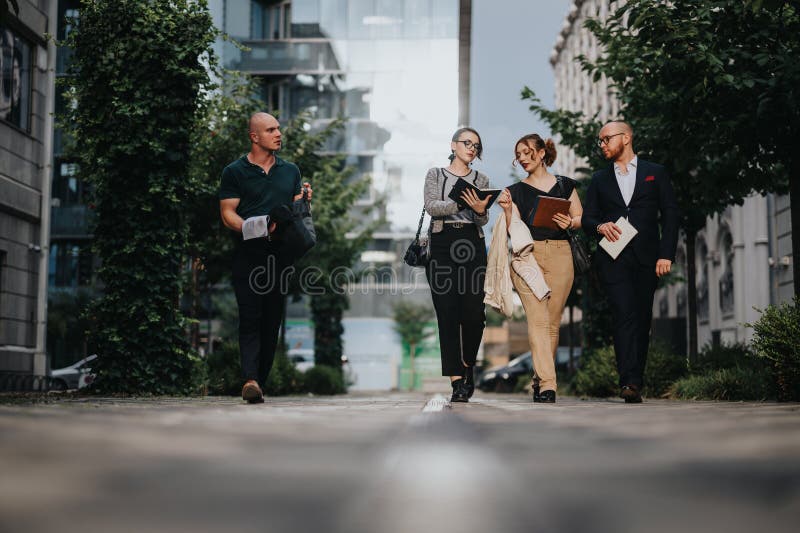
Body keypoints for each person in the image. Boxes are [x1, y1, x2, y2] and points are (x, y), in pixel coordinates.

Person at [219, 112, 313, 404]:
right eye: (271, 129)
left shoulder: (291, 171)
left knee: (272, 321)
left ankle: (259, 381)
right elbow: (227, 214)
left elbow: (298, 211)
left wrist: (305, 201)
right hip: (249, 253)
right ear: (254, 137)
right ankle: (250, 379)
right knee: (250, 317)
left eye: (278, 128)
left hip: (281, 256)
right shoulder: (234, 172)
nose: (278, 133)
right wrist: (256, 227)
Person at [583, 120, 679, 403]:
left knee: (642, 317)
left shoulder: (655, 173)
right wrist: (600, 226)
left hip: (647, 258)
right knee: (624, 315)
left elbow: (670, 215)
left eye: (606, 139)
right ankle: (629, 383)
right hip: (613, 258)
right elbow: (588, 218)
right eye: (599, 141)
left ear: (625, 138)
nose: (602, 145)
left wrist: (666, 254)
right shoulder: (599, 179)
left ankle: (636, 377)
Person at [496, 134, 583, 403]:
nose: (521, 158)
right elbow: (515, 230)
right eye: (518, 154)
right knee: (539, 321)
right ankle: (548, 384)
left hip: (561, 254)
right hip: (528, 257)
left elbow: (579, 217)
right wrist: (509, 211)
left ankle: (538, 378)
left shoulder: (565, 185)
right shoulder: (516, 191)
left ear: (542, 152)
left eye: (526, 152)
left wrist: (570, 223)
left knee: (553, 324)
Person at [424, 127, 492, 403]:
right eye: (467, 143)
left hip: (472, 243)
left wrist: (479, 211)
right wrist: (458, 202)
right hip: (442, 242)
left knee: (474, 314)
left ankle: (468, 365)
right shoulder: (436, 174)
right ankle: (456, 381)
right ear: (453, 145)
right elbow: (431, 206)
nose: (472, 148)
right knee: (448, 313)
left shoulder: (482, 178)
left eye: (476, 145)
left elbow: (483, 220)